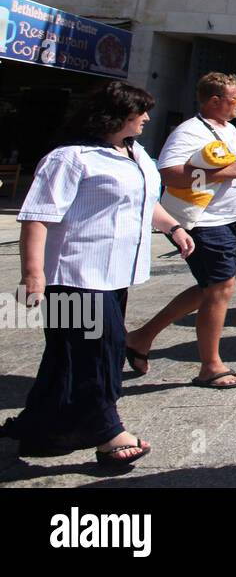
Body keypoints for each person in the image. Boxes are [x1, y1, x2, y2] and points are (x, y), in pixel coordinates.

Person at [0, 82, 195, 466]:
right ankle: (107, 431)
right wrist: (32, 275)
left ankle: (41, 430)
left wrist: (173, 227)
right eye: (140, 111)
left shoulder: (135, 153)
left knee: (67, 356)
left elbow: (145, 202)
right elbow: (37, 216)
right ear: (116, 115)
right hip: (72, 275)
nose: (146, 118)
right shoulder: (70, 158)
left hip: (116, 274)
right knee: (99, 352)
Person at [126, 72, 236, 390]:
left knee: (209, 288)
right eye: (234, 98)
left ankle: (141, 337)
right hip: (206, 223)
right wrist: (221, 173)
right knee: (219, 288)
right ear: (214, 101)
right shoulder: (190, 131)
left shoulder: (227, 128)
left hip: (228, 222)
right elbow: (170, 174)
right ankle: (210, 365)